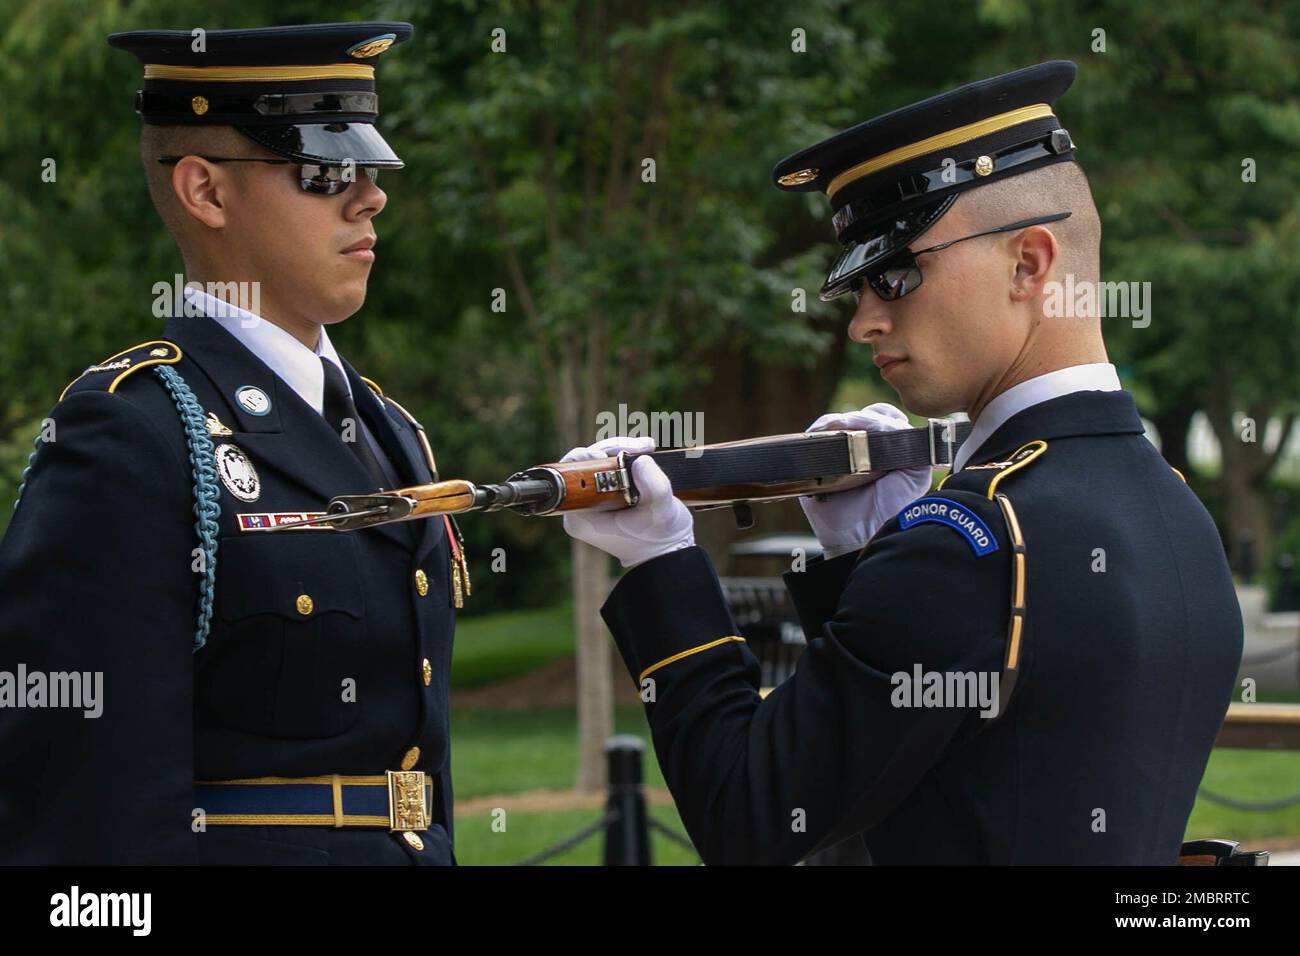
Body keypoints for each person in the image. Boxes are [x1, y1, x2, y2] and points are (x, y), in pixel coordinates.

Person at [562, 61, 1244, 865]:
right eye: (858, 290)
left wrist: (662, 566)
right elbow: (950, 768)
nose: (864, 324)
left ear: (1030, 264)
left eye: (896, 275)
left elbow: (749, 815)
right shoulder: (1171, 507)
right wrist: (867, 557)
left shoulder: (970, 539)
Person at [0, 22, 463, 865]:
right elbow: (77, 801)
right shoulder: (133, 431)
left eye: (370, 169)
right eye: (325, 170)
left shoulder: (390, 429)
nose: (370, 197)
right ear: (205, 193)